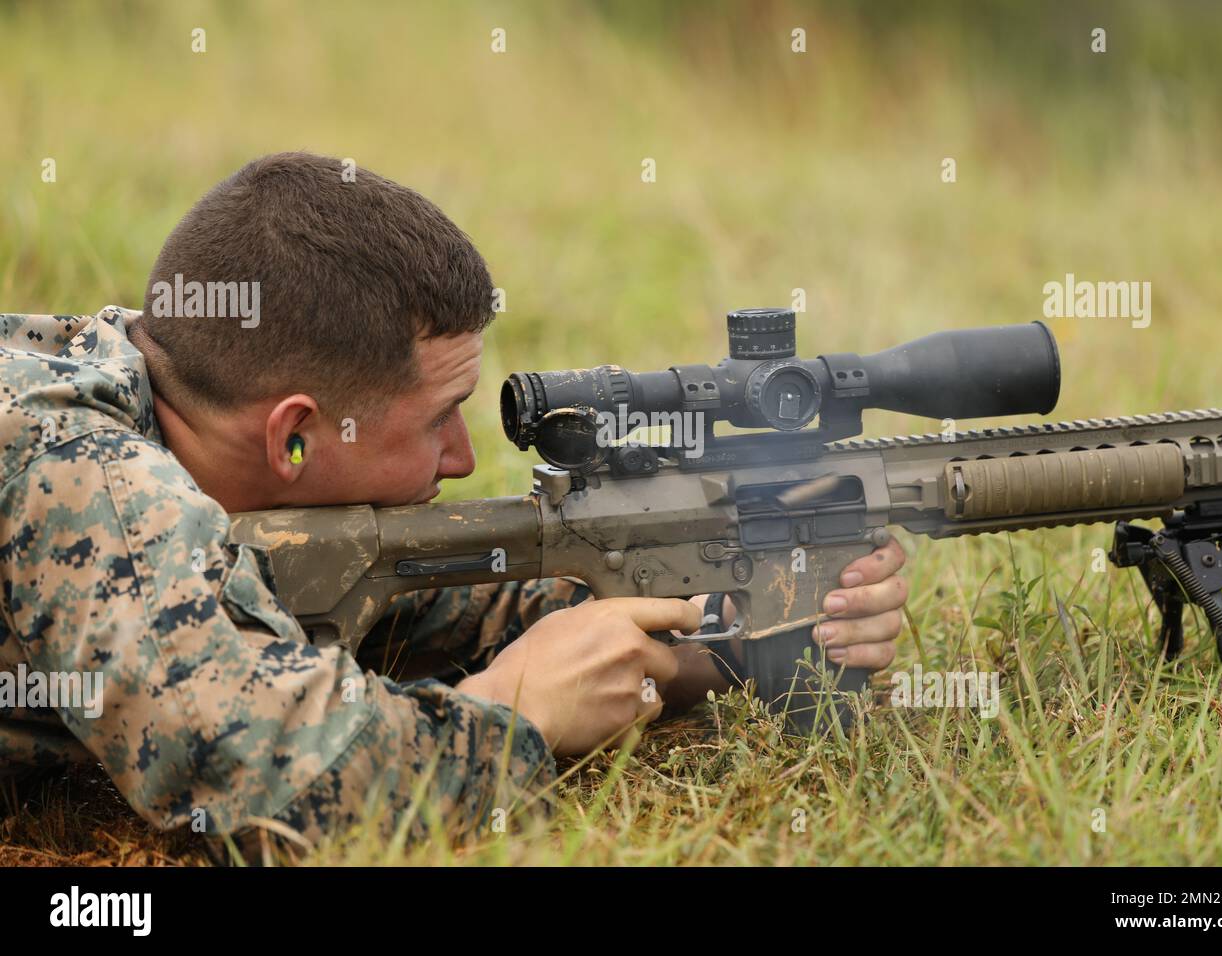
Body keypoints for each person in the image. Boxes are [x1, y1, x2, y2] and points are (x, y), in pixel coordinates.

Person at [0, 152, 907, 853]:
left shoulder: (170, 405)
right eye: (438, 421)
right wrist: (510, 713)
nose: (467, 459)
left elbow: (453, 610)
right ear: (294, 438)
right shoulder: (79, 473)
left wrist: (744, 629)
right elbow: (261, 775)